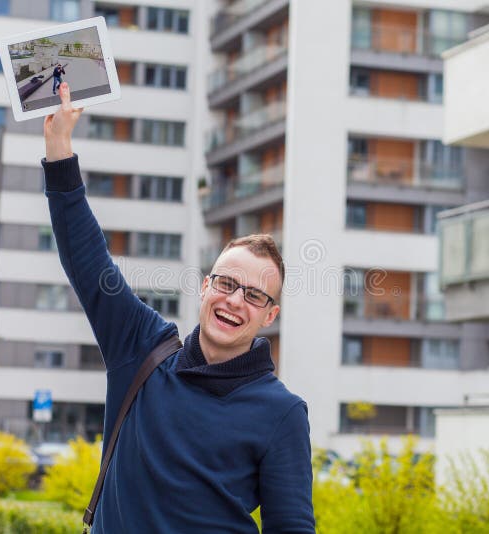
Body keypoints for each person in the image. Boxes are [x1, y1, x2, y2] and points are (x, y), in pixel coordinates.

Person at [41, 81, 315, 533]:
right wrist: (59, 150)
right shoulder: (142, 350)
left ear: (269, 316)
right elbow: (88, 263)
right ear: (205, 287)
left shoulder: (281, 412)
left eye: (254, 295)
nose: (234, 301)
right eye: (226, 283)